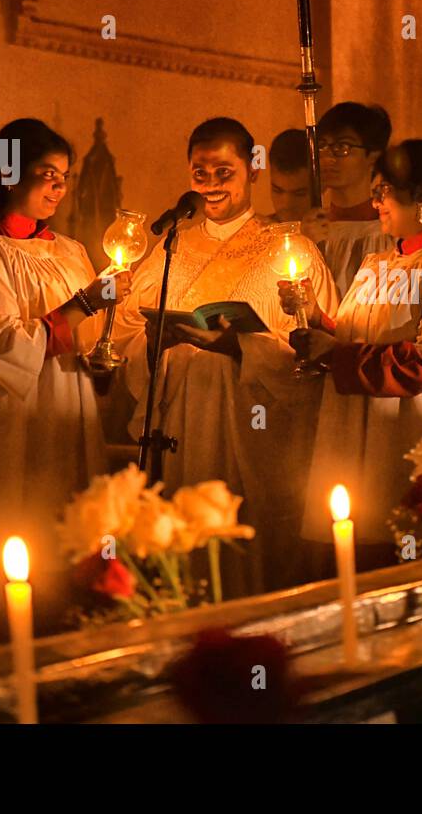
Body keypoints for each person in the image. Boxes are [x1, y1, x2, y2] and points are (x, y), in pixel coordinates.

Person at [112, 117, 338, 594]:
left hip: (252, 428)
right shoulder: (171, 246)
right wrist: (155, 343)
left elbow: (313, 360)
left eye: (224, 171)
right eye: (200, 172)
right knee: (188, 555)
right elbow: (127, 331)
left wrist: (240, 346)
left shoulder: (289, 249)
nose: (211, 184)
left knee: (246, 559)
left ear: (252, 170)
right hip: (183, 431)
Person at [0, 118, 132, 651]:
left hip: (67, 416)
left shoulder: (70, 251)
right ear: (9, 173)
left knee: (68, 552)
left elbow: (88, 337)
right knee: (6, 548)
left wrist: (104, 354)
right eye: (47, 174)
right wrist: (86, 303)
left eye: (64, 177)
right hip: (5, 423)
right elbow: (6, 347)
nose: (58, 188)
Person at [283, 139, 422, 570]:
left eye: (384, 190)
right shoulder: (377, 265)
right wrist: (317, 320)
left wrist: (335, 357)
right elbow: (360, 336)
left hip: (416, 448)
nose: (376, 200)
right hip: (362, 452)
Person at [315, 102, 393, 296]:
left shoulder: (389, 234)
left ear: (373, 157)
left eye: (343, 147)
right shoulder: (314, 229)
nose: (328, 158)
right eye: (322, 146)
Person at [267, 128, 314, 225]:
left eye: (299, 194)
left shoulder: (337, 234)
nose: (286, 205)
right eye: (277, 191)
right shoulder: (256, 235)